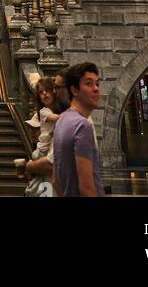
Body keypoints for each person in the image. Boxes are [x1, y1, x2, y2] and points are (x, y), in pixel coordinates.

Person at [52, 62, 103, 198]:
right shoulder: (82, 126)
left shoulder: (62, 121)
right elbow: (86, 188)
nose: (96, 89)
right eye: (88, 83)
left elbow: (56, 180)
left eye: (97, 83)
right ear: (74, 90)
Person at [23, 76, 59, 196]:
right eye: (41, 92)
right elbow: (58, 118)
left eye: (47, 90)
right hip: (42, 152)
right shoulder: (44, 111)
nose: (44, 94)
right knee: (43, 185)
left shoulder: (56, 109)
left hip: (47, 152)